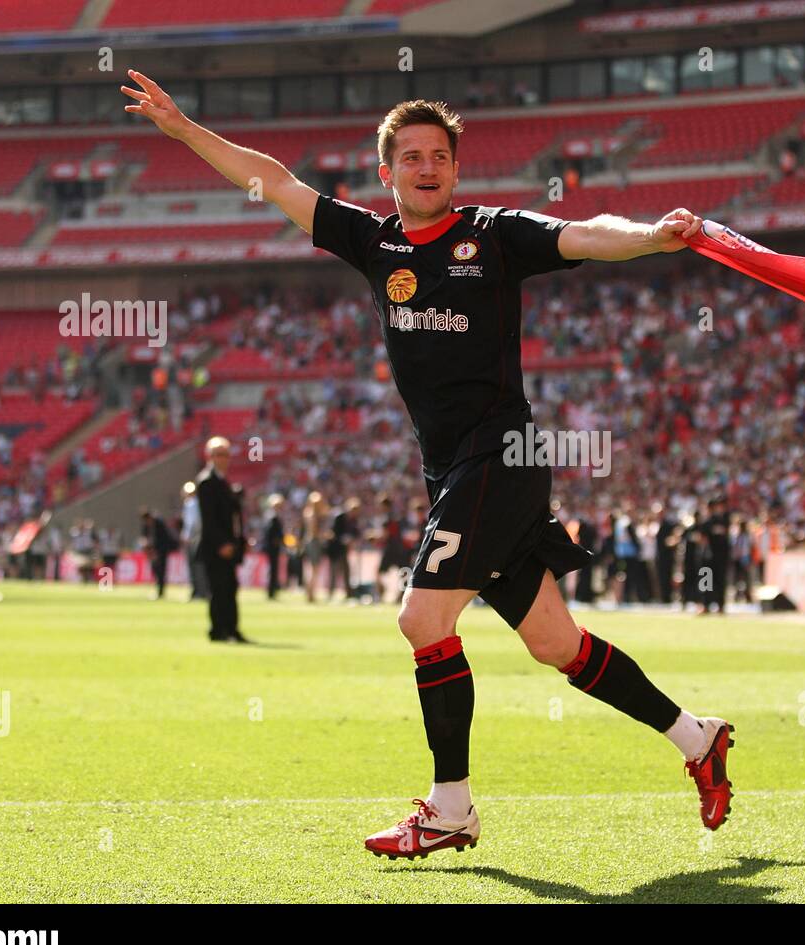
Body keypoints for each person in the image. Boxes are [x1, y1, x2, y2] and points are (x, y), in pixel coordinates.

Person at [123, 73, 731, 857]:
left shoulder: (495, 234)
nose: (427, 166)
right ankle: (696, 736)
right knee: (556, 644)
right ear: (388, 174)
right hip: (451, 471)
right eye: (410, 156)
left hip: (500, 455)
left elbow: (583, 233)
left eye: (439, 154)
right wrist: (184, 131)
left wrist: (651, 234)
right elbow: (271, 181)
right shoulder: (373, 243)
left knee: (420, 618)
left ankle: (451, 808)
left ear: (455, 168)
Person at [195, 435, 249, 643]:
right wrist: (221, 543)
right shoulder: (207, 482)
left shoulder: (223, 482)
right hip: (215, 547)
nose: (222, 458)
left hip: (229, 545)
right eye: (218, 454)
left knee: (230, 587)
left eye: (225, 454)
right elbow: (208, 519)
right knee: (218, 589)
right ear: (209, 456)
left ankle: (232, 629)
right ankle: (218, 630)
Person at [140, 507, 179, 599]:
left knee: (161, 571)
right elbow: (144, 536)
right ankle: (159, 590)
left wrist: (156, 551)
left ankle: (161, 593)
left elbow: (163, 539)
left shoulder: (159, 523)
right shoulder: (146, 525)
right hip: (153, 551)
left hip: (162, 550)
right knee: (155, 570)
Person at [180, 480, 208, 601]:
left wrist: (187, 536)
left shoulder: (191, 503)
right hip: (197, 537)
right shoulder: (196, 503)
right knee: (198, 566)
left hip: (193, 539)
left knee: (195, 566)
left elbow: (191, 522)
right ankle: (200, 590)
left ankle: (198, 591)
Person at [262, 493, 285, 600]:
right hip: (273, 547)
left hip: (272, 547)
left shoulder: (270, 516)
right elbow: (272, 534)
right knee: (273, 569)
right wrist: (278, 540)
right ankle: (271, 591)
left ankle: (273, 590)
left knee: (273, 569)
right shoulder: (273, 517)